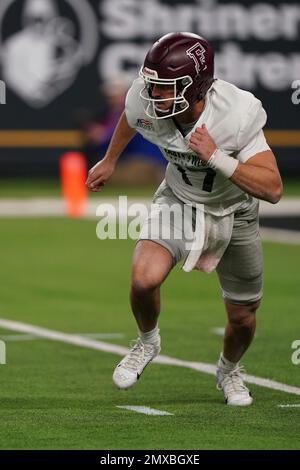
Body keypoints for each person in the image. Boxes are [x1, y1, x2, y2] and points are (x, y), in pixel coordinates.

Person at [86, 32, 283, 406]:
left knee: (243, 316)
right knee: (143, 278)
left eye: (165, 87)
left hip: (234, 211)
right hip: (178, 200)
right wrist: (110, 159)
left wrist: (218, 157)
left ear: (197, 88)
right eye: (152, 85)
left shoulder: (237, 112)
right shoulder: (146, 99)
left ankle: (229, 370)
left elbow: (273, 188)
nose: (153, 95)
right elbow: (134, 117)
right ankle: (147, 343)